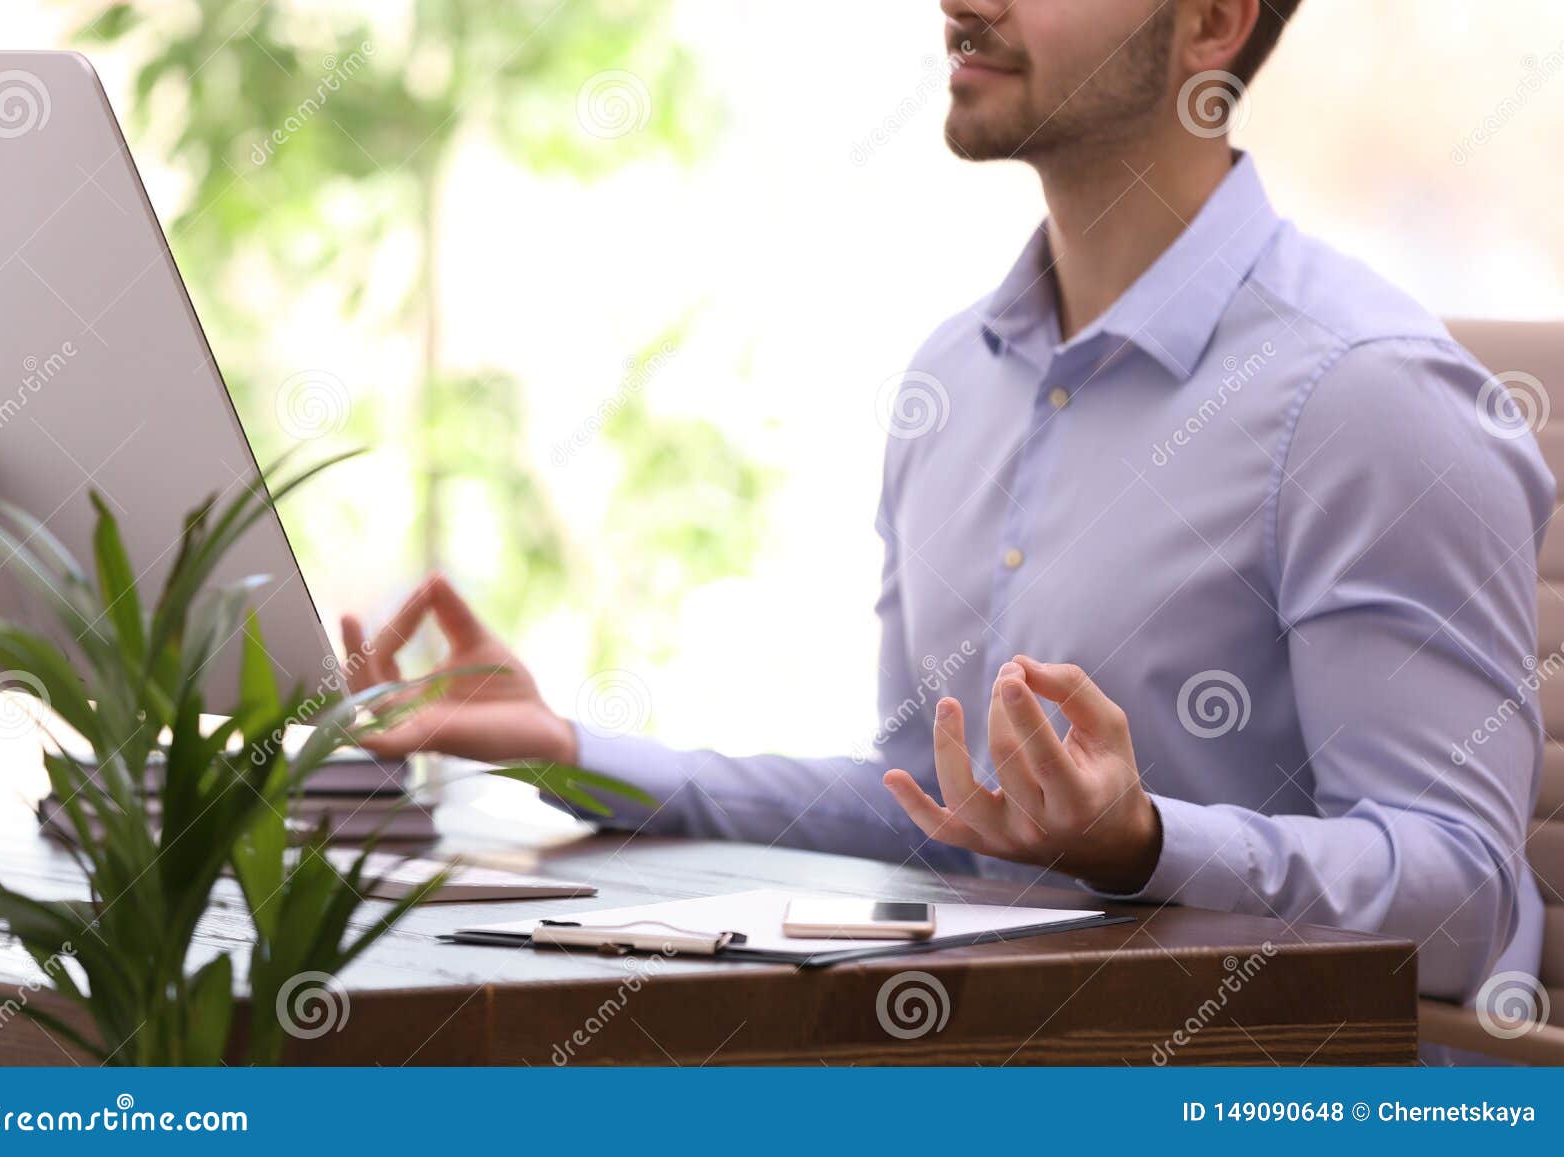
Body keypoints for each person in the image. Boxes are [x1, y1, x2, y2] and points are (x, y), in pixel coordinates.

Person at [341, 0, 1552, 1003]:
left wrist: (1143, 841)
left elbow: (1460, 907)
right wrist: (572, 750)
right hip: (1007, 1047)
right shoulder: (951, 382)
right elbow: (933, 809)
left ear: (1213, 26)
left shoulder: (1364, 396)